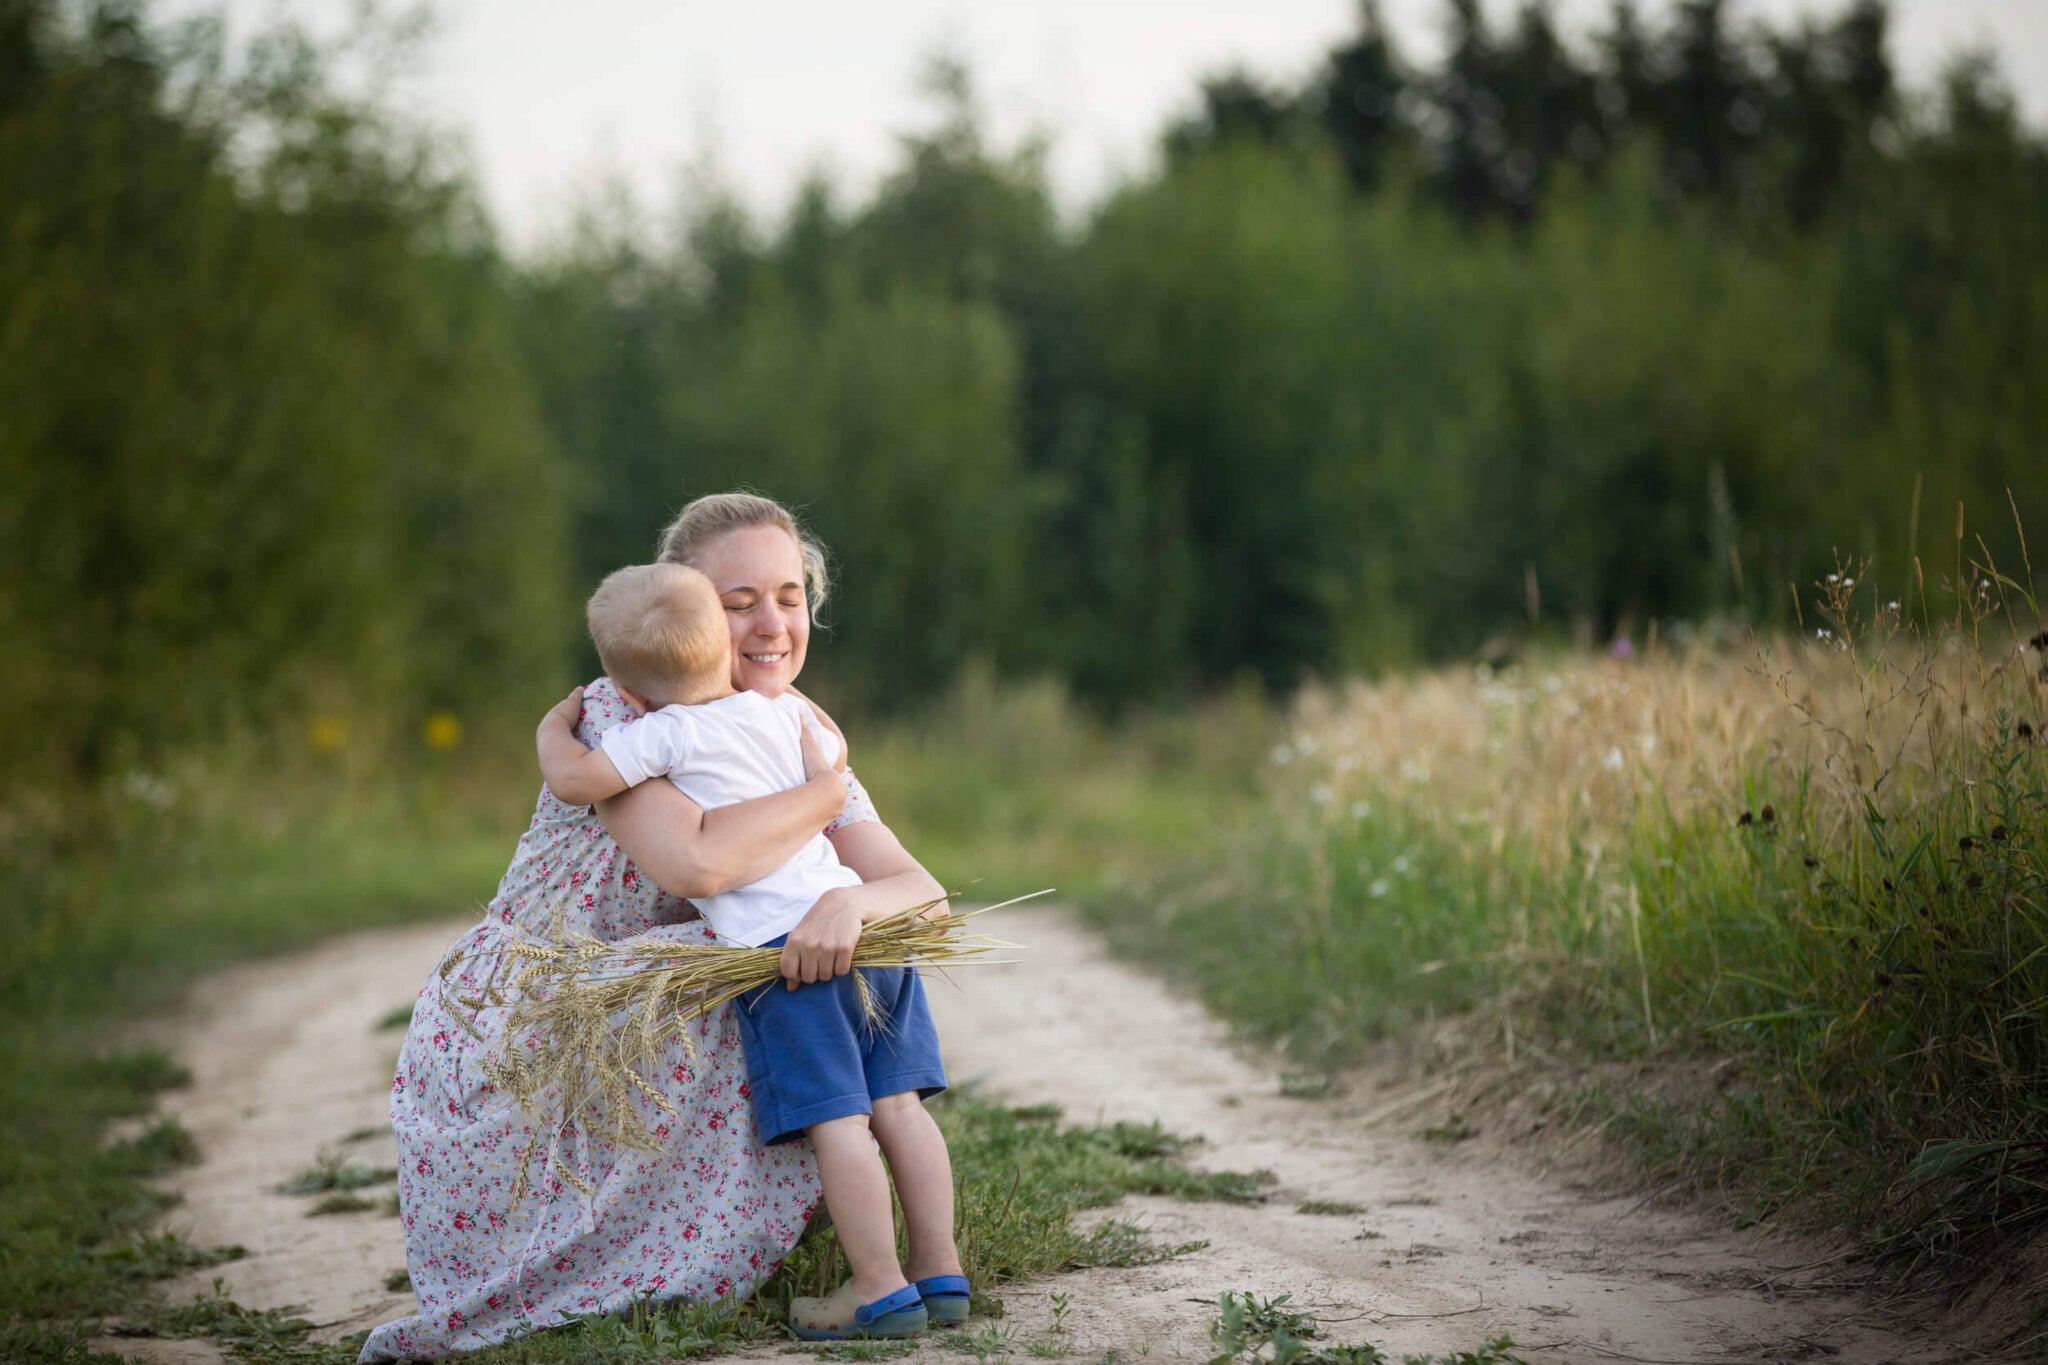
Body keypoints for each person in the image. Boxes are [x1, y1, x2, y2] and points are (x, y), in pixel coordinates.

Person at [361, 493, 950, 1361]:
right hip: (547, 1002)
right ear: (684, 613)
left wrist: (850, 903)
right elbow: (701, 867)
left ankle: (909, 1270)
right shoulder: (632, 717)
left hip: (698, 976)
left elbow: (921, 894)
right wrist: (825, 794)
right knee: (758, 971)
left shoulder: (788, 725)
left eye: (788, 596)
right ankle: (690, 1266)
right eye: (738, 599)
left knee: (788, 971)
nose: (771, 623)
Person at [533, 559, 962, 1339]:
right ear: (721, 645)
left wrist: (553, 729)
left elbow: (577, 779)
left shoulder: (655, 730)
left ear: (627, 694)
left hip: (785, 955)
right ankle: (941, 1269)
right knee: (899, 1106)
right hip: (867, 931)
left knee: (841, 1121)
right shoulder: (788, 714)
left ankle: (877, 1287)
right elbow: (830, 762)